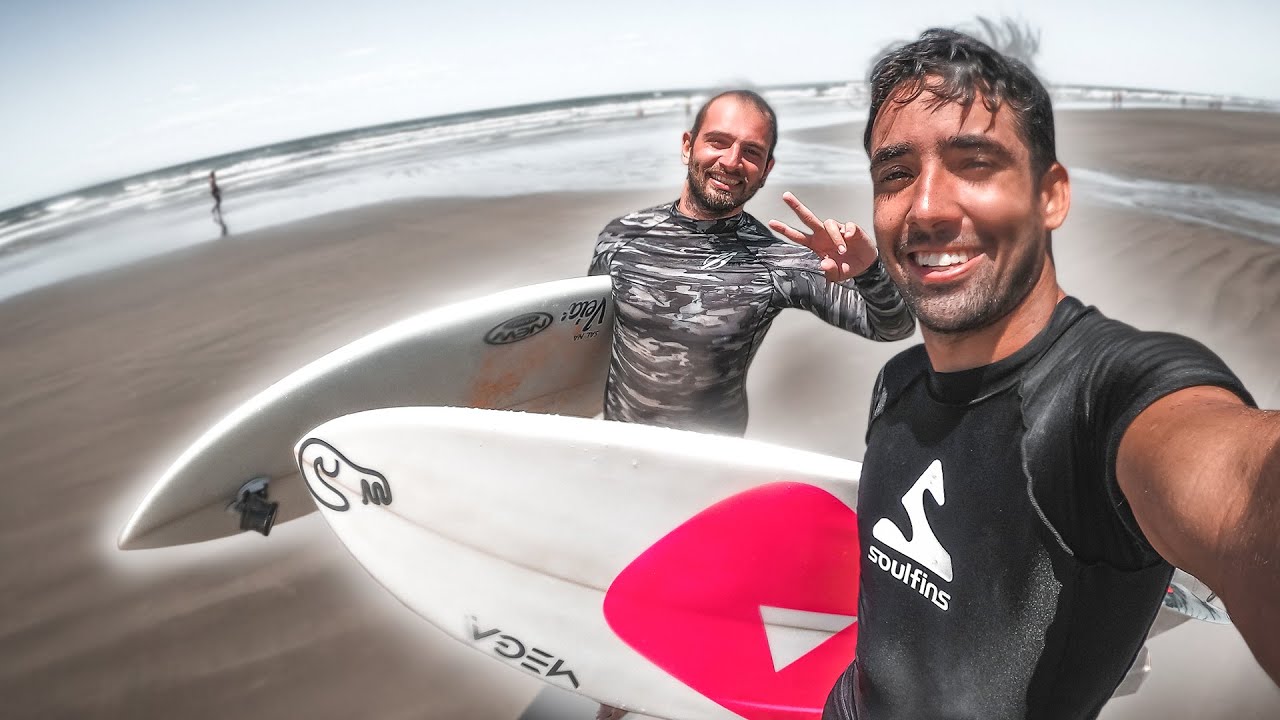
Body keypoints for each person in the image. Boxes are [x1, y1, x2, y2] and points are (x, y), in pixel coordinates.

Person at [820, 29, 1279, 719]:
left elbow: (1238, 483)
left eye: (975, 164)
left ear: (1050, 196)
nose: (926, 207)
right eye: (895, 175)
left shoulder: (1104, 396)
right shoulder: (897, 383)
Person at [589, 90, 915, 439]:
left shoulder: (775, 263)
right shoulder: (621, 236)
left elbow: (892, 327)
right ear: (688, 146)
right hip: (617, 450)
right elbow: (585, 333)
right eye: (718, 142)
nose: (731, 162)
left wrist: (869, 271)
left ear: (766, 170)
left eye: (751, 152)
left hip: (712, 461)